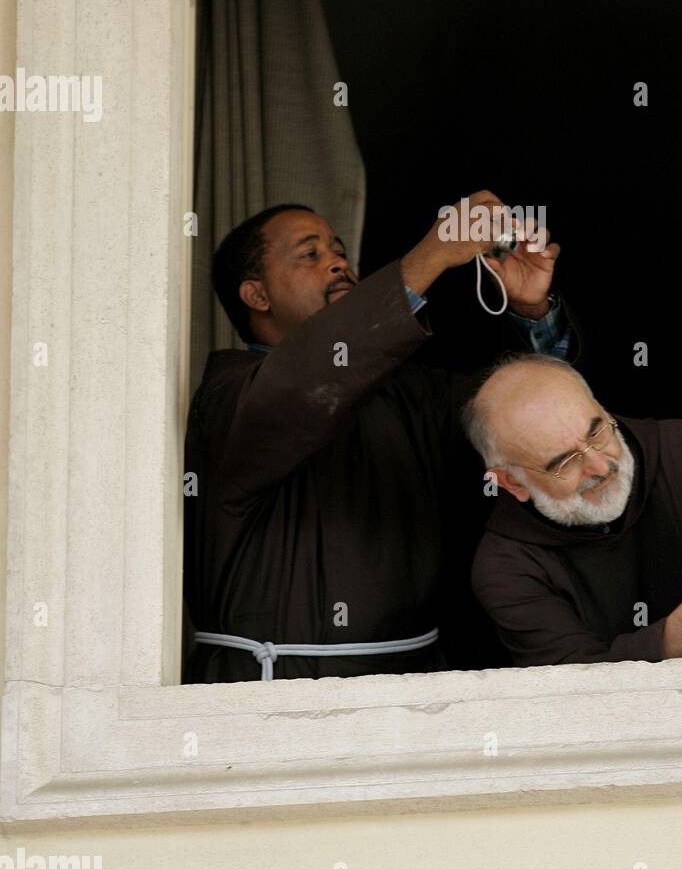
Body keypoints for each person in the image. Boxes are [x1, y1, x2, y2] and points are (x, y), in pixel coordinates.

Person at [182, 192, 578, 683]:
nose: (338, 264)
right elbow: (300, 386)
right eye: (310, 255)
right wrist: (430, 256)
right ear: (257, 296)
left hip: (412, 681)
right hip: (271, 684)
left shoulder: (409, 389)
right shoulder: (228, 392)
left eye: (339, 250)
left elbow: (530, 419)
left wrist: (531, 311)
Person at [463, 354, 682, 667]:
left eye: (596, 431)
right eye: (562, 462)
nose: (599, 465)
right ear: (512, 482)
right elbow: (579, 694)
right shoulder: (504, 567)